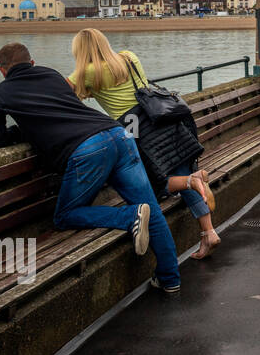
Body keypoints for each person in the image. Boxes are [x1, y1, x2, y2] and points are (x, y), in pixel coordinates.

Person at [0, 42, 181, 293]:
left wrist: (22, 131)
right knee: (151, 207)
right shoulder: (52, 75)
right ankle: (170, 279)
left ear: (1, 70)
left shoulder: (0, 92)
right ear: (32, 62)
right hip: (118, 133)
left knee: (65, 216)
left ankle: (130, 216)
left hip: (88, 148)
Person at [68, 28, 220, 259]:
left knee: (156, 183)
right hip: (159, 117)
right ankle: (209, 232)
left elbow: (65, 93)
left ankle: (193, 180)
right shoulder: (129, 57)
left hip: (134, 128)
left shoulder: (87, 73)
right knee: (180, 170)